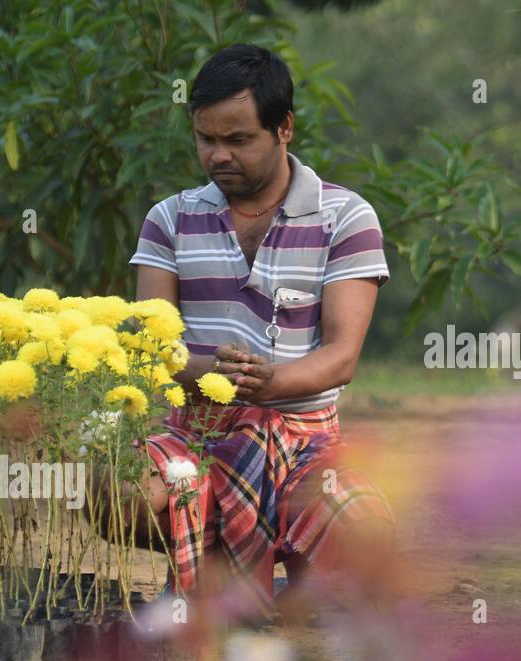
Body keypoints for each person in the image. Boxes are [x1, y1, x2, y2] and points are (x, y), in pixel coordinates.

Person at [123, 43, 396, 616]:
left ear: (284, 128)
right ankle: (219, 569)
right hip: (195, 435)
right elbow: (154, 348)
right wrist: (207, 374)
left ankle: (279, 584)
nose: (218, 155)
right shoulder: (168, 220)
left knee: (370, 534)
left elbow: (342, 357)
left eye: (239, 139)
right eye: (206, 139)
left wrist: (268, 384)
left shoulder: (345, 218)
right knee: (122, 496)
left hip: (305, 439)